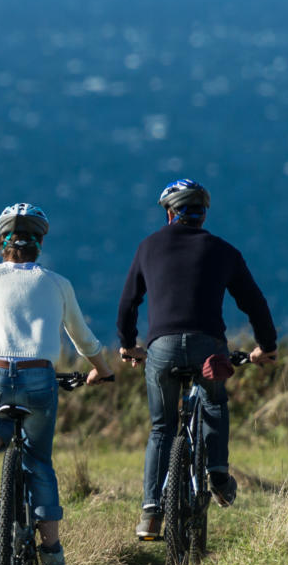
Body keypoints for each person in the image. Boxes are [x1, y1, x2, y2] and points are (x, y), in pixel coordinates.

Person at [0, 203, 117, 565]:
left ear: (1, 242)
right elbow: (84, 339)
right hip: (39, 378)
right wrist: (102, 371)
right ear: (40, 244)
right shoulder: (57, 283)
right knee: (38, 461)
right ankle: (52, 557)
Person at [116, 179, 278, 542]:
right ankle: (218, 476)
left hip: (162, 349)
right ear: (203, 214)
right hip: (209, 349)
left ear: (170, 213)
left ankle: (150, 513)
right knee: (214, 402)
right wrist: (265, 346)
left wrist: (128, 345)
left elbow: (128, 303)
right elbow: (255, 303)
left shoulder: (148, 247)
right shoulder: (223, 250)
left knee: (162, 428)